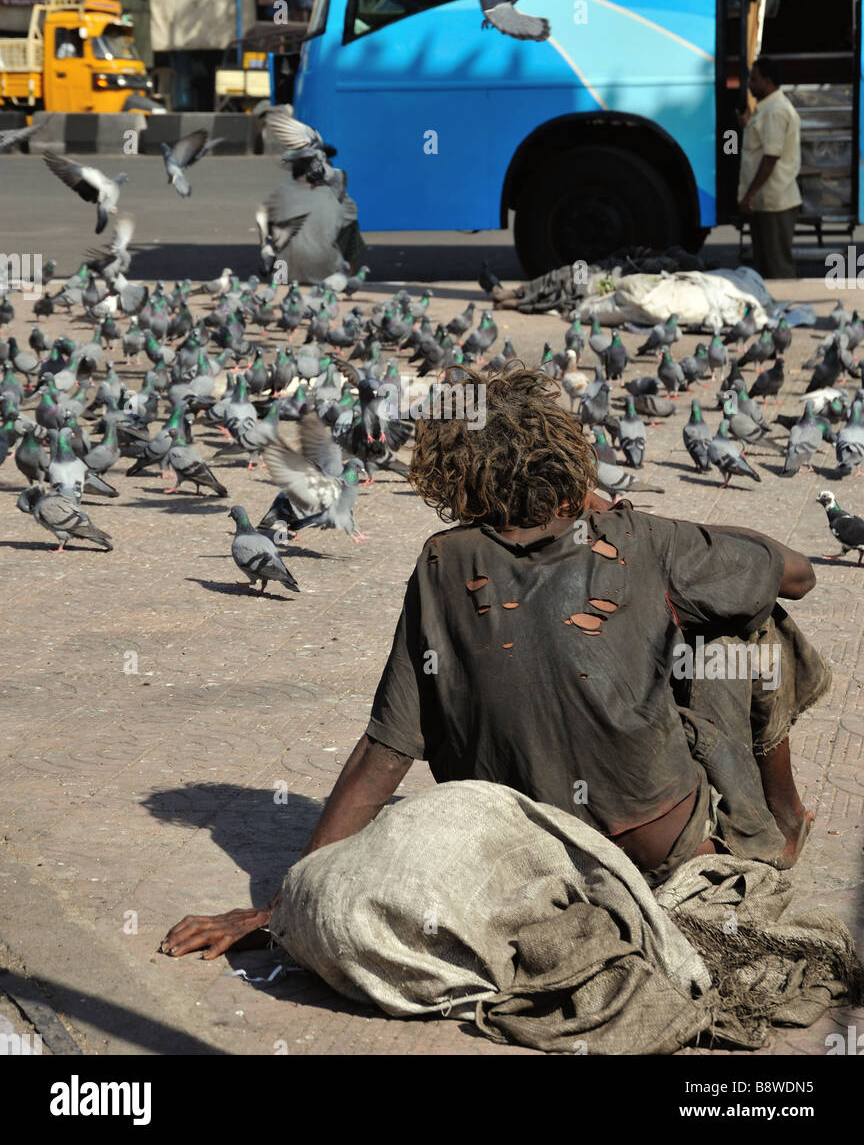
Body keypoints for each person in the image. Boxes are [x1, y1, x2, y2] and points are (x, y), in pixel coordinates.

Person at [162, 367, 826, 961]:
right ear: (567, 457)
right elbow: (796, 576)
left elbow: (385, 750)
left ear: (456, 473)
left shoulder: (442, 561)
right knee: (746, 622)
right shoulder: (639, 538)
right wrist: (624, 516)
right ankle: (775, 826)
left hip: (528, 856)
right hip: (658, 840)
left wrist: (284, 907)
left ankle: (701, 847)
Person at [737, 56, 802, 281]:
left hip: (774, 202)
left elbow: (770, 158)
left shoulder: (775, 110)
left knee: (777, 268)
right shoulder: (767, 109)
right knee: (764, 267)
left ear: (767, 81)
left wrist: (750, 195)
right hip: (767, 202)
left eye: (753, 80)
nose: (749, 85)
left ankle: (787, 314)